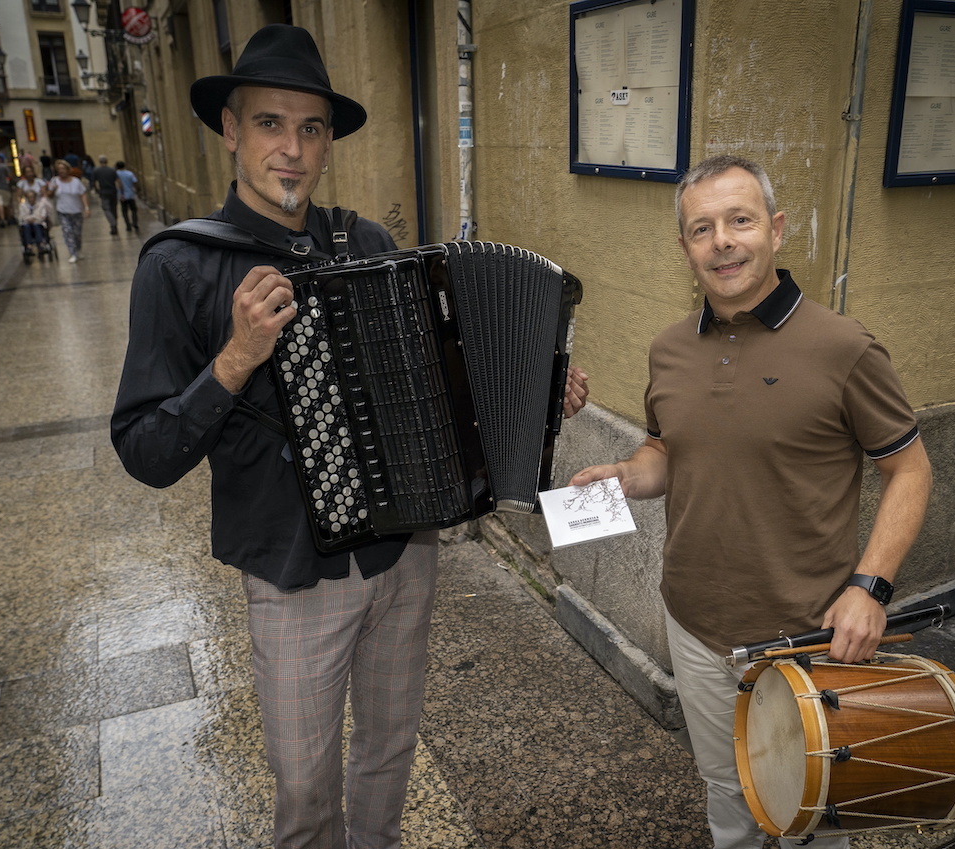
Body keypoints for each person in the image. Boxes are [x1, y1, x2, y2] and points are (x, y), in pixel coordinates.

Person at [112, 24, 587, 849]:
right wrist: (235, 359)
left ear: (328, 141)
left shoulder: (362, 244)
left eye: (310, 128)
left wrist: (537, 394)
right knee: (303, 788)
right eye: (269, 124)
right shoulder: (179, 267)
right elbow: (145, 450)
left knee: (389, 752)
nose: (290, 150)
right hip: (295, 575)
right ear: (231, 129)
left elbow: (431, 382)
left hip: (403, 553)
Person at [571, 154, 932, 849]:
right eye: (702, 229)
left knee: (818, 810)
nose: (722, 241)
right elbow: (667, 452)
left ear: (776, 227)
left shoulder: (844, 347)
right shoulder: (669, 349)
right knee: (729, 792)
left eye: (740, 220)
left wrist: (871, 587)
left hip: (809, 633)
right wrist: (624, 474)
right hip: (696, 623)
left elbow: (911, 470)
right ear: (685, 248)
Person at [48, 158, 89, 262]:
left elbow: (82, 194)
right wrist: (53, 189)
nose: (61, 171)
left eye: (63, 169)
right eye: (59, 169)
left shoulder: (76, 181)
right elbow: (49, 195)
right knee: (67, 232)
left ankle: (78, 249)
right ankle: (72, 253)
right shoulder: (54, 181)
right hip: (63, 211)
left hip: (76, 211)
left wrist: (86, 207)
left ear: (68, 169)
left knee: (77, 233)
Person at [91, 155, 120, 235]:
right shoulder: (112, 170)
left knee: (106, 208)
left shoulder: (96, 170)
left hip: (104, 192)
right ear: (107, 161)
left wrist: (96, 190)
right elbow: (118, 181)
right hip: (113, 191)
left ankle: (113, 224)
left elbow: (93, 182)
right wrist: (122, 191)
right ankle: (114, 225)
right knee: (114, 209)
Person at [17, 189, 50, 256]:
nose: (31, 199)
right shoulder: (22, 206)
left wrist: (34, 218)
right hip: (27, 224)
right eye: (29, 197)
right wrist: (30, 219)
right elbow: (21, 217)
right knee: (26, 227)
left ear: (35, 197)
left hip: (38, 223)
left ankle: (40, 244)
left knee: (36, 225)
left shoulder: (41, 205)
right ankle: (29, 246)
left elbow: (43, 216)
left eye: (32, 197)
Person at [115, 160, 139, 232]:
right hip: (130, 195)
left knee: (124, 211)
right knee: (133, 210)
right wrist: (138, 190)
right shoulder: (129, 173)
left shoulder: (116, 174)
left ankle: (128, 225)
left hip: (122, 196)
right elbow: (135, 182)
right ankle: (135, 223)